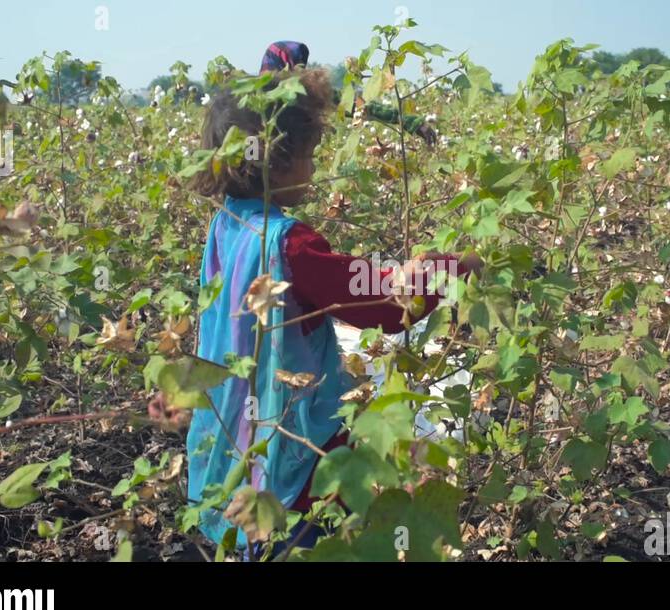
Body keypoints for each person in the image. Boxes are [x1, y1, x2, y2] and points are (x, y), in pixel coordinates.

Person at [148, 59, 474, 558]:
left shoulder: (227, 223)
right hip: (290, 436)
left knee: (248, 524)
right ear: (276, 162)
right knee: (303, 537)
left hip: (231, 421)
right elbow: (387, 305)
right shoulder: (290, 244)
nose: (316, 166)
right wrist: (447, 268)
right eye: (310, 154)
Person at [259, 40, 437, 146]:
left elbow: (362, 107)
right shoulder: (251, 100)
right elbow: (245, 145)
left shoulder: (307, 93)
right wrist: (251, 172)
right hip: (250, 196)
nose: (298, 72)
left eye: (301, 67)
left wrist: (410, 122)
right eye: (294, 66)